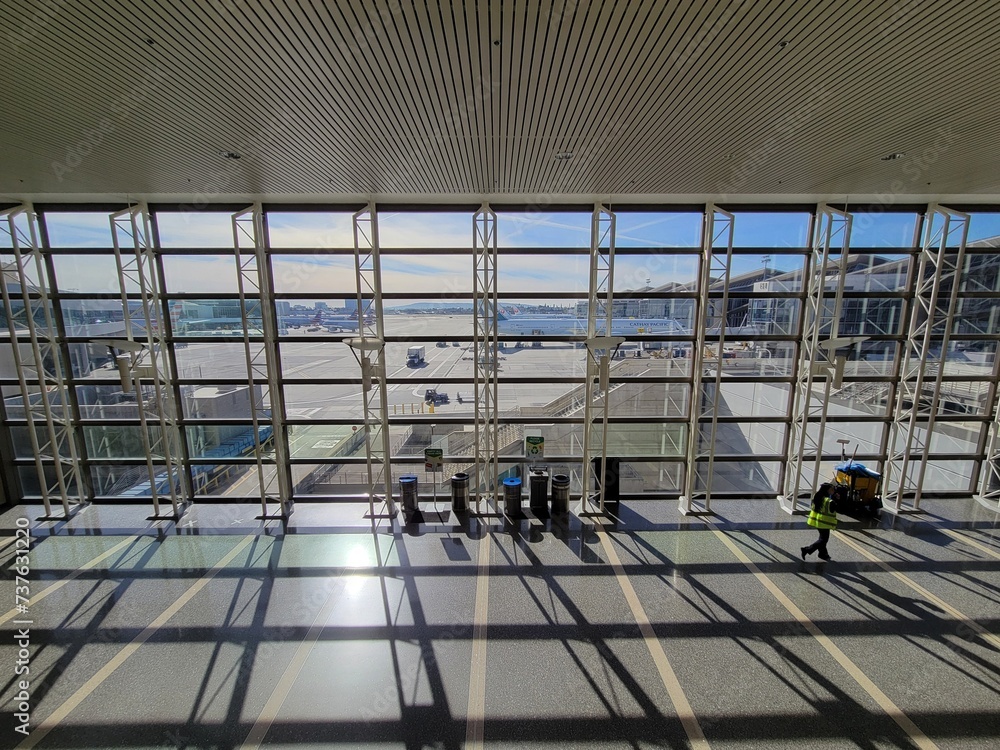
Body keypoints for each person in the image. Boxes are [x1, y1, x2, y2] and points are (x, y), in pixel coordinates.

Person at [801, 483, 840, 561]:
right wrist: (837, 499)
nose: (833, 491)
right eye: (832, 489)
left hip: (818, 521)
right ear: (827, 490)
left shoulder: (817, 496)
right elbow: (836, 509)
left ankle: (823, 554)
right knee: (823, 540)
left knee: (822, 538)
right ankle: (807, 549)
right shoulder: (829, 501)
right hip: (824, 523)